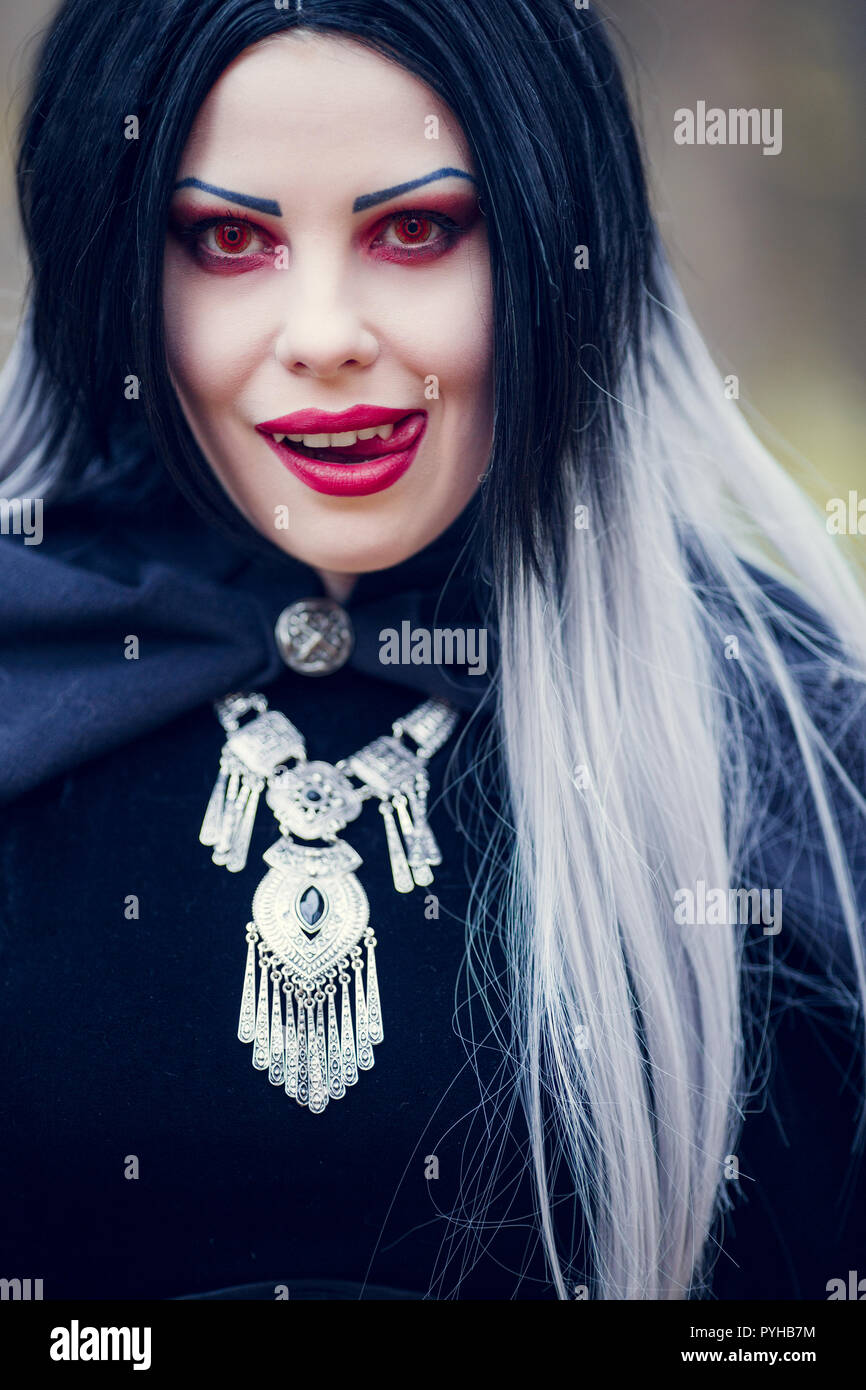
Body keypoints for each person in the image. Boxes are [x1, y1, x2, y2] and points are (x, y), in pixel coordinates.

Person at [0, 0, 864, 1302]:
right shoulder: (27, 666)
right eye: (228, 238)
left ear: (548, 244)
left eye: (414, 228)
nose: (324, 332)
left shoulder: (783, 743)